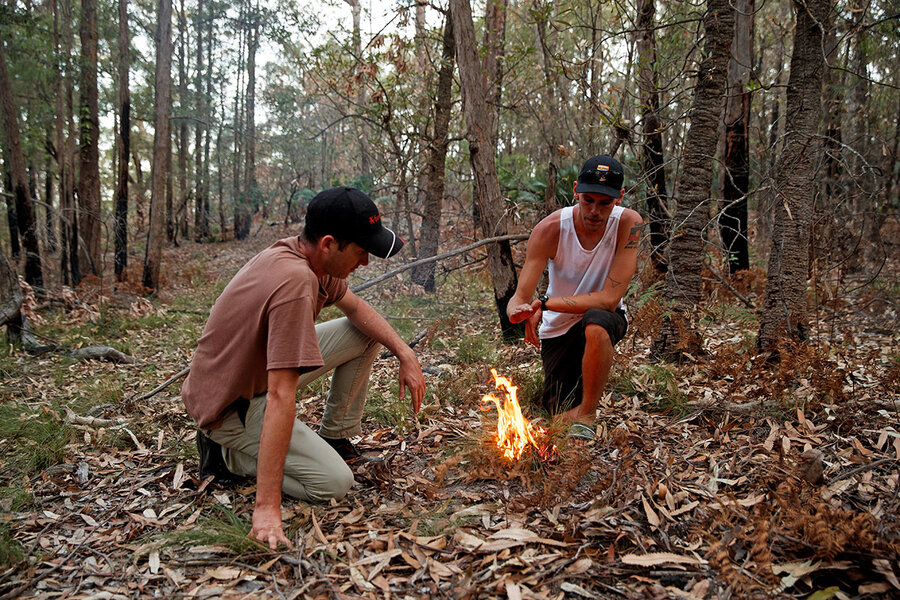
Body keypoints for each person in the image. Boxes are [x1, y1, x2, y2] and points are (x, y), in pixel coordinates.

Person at [181, 187, 426, 550]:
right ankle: (229, 458)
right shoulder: (295, 281)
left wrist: (405, 353)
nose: (365, 263)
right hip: (229, 407)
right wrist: (267, 508)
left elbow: (356, 310)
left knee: (364, 334)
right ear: (329, 243)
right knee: (334, 483)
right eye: (360, 252)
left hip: (251, 376)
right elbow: (282, 394)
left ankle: (335, 437)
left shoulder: (308, 257)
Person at [507, 155, 642, 427]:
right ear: (576, 190)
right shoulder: (550, 229)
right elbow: (519, 298)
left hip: (607, 316)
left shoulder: (630, 223)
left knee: (596, 322)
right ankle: (574, 405)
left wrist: (544, 304)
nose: (595, 210)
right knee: (558, 415)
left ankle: (588, 413)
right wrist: (518, 312)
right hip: (559, 328)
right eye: (588, 200)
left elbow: (608, 299)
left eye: (605, 203)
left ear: (620, 197)